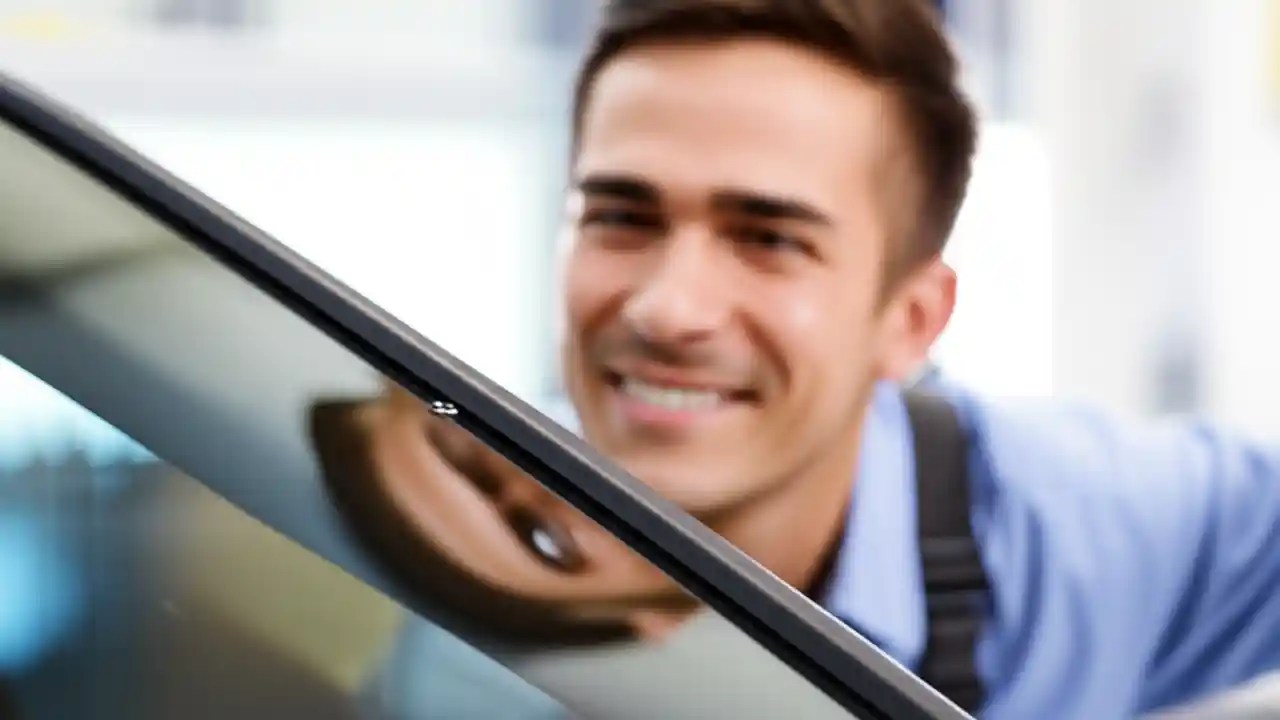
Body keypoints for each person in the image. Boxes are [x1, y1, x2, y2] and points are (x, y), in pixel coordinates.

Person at [314, 1, 1280, 718]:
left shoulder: (1082, 527)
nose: (666, 307)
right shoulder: (438, 588)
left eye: (768, 238)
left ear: (910, 320)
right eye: (621, 215)